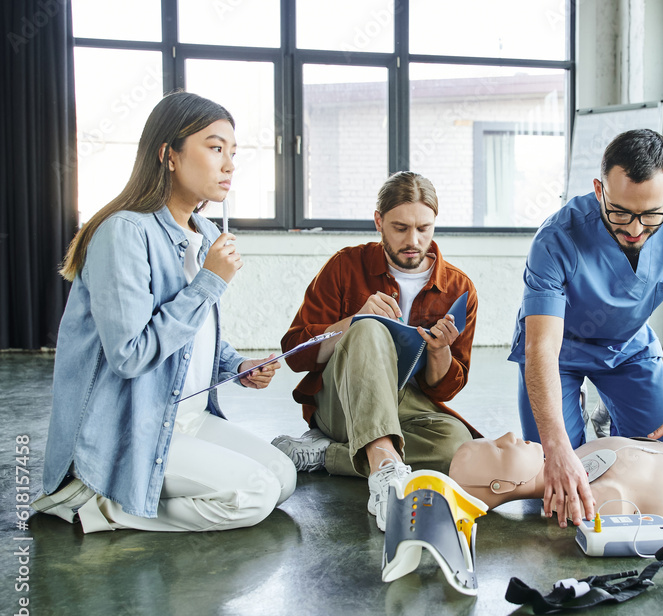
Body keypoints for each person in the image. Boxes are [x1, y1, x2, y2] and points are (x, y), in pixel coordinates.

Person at [31, 92, 296, 532]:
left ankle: (136, 496)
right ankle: (98, 505)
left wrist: (236, 364)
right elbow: (130, 355)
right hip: (132, 428)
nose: (229, 164)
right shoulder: (124, 233)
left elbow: (191, 333)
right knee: (255, 495)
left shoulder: (204, 231)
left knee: (283, 478)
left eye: (233, 152)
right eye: (215, 148)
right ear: (168, 155)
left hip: (185, 415)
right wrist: (210, 281)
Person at [509, 128, 663, 528]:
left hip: (628, 347)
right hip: (560, 354)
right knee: (556, 484)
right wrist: (557, 447)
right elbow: (541, 350)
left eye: (651, 214)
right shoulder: (555, 239)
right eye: (620, 212)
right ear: (599, 190)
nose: (635, 229)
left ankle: (606, 417)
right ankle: (580, 421)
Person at [274, 171, 479, 531]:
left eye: (424, 228)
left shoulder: (459, 288)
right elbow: (294, 353)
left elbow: (444, 390)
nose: (413, 240)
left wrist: (440, 352)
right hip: (341, 404)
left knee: (456, 446)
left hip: (405, 407)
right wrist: (353, 322)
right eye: (400, 228)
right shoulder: (344, 265)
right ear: (379, 222)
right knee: (369, 328)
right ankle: (384, 471)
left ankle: (326, 454)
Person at [448, 433, 663, 517]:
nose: (508, 436)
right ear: (501, 486)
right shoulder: (580, 502)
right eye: (498, 449)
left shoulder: (581, 453)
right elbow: (616, 503)